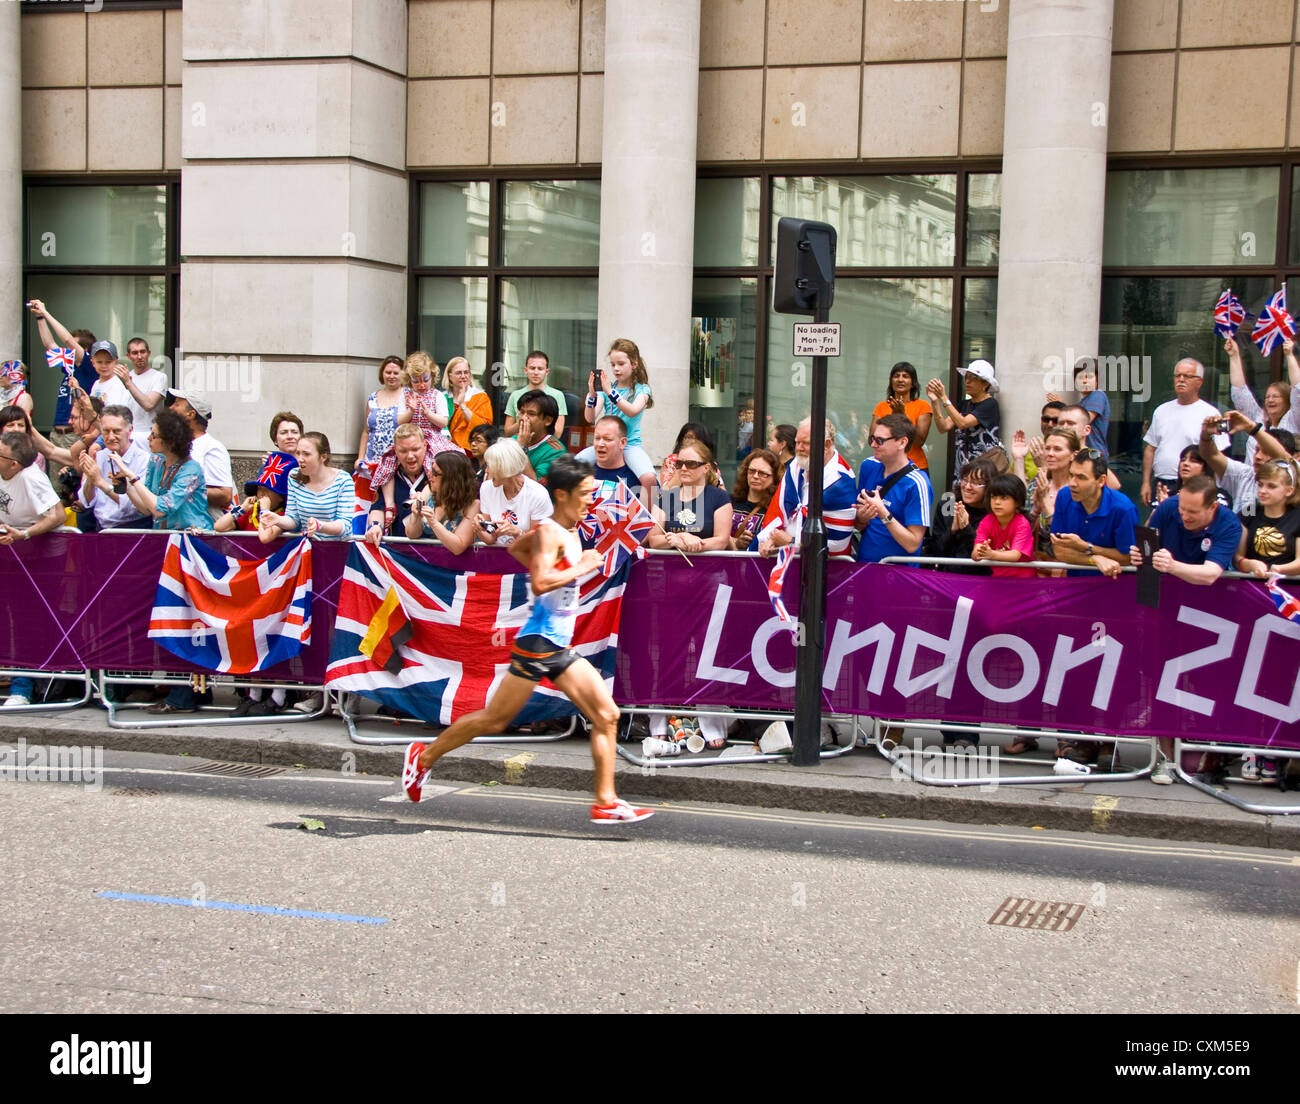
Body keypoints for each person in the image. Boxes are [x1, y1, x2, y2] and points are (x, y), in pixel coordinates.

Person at [401, 455, 654, 825]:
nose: (590, 501)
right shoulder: (553, 533)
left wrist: (553, 558)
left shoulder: (558, 532)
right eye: (584, 495)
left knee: (606, 714)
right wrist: (581, 566)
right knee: (493, 719)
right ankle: (421, 758)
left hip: (557, 647)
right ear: (563, 496)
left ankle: (605, 801)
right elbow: (540, 582)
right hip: (538, 645)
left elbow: (518, 548)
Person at [1131, 473, 1243, 784]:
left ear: (1211, 509)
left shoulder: (1229, 524)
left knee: (1210, 686)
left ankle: (1209, 755)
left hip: (1211, 617)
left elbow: (1210, 574)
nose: (1184, 516)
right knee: (1161, 682)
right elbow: (1145, 544)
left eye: (1192, 512)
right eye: (1182, 509)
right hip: (1166, 612)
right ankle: (1164, 759)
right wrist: (1139, 555)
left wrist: (1173, 567)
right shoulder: (1168, 509)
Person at [0, 431, 70, 708]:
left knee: (29, 621)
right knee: (12, 619)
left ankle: (23, 688)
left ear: (13, 463)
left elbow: (58, 514)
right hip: (12, 554)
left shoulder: (31, 478)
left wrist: (25, 535)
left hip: (43, 559)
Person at [759, 418, 858, 559]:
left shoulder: (841, 480)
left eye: (805, 443)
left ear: (827, 445)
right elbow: (778, 510)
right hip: (787, 560)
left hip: (824, 570)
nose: (799, 448)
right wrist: (769, 540)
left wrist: (792, 542)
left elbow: (837, 544)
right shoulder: (796, 465)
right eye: (797, 442)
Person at [1141, 357, 1228, 507]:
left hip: (1194, 484)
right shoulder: (1161, 411)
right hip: (1162, 483)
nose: (1181, 380)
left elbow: (1218, 456)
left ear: (1199, 381)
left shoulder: (1210, 413)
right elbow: (1150, 449)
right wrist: (1145, 482)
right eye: (1177, 375)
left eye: (1187, 376)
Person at [580, 337, 656, 493]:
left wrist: (610, 392)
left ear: (634, 364)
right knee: (572, 468)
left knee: (649, 478)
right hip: (606, 443)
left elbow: (632, 410)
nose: (616, 369)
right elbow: (589, 417)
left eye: (621, 364)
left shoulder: (642, 389)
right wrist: (592, 395)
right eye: (613, 365)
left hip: (630, 445)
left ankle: (646, 516)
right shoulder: (608, 388)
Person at [853, 413, 932, 564]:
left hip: (898, 573)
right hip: (865, 566)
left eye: (880, 440)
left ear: (902, 443)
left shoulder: (917, 483)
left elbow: (913, 544)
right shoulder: (869, 465)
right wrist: (861, 518)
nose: (873, 445)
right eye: (872, 438)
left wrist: (883, 512)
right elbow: (858, 524)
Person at [114, 408, 209, 532]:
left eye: (154, 435)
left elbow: (160, 509)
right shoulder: (156, 460)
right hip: (164, 536)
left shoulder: (191, 470)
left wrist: (132, 477)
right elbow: (147, 508)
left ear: (169, 442)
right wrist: (128, 487)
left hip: (191, 539)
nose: (149, 438)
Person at [1049, 448, 1138, 579]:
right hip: (1076, 583)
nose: (1072, 483)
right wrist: (1093, 559)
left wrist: (1086, 547)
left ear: (1101, 481)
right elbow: (1059, 551)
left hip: (1113, 584)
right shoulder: (1064, 496)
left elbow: (1127, 557)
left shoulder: (1123, 509)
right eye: (1071, 475)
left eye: (1081, 477)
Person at [27, 299, 97, 445]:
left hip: (75, 434)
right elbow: (49, 344)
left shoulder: (89, 367)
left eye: (73, 347)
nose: (67, 351)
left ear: (84, 350)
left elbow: (67, 340)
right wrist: (39, 317)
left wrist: (46, 313)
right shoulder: (69, 366)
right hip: (56, 433)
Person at [260, 432, 354, 541]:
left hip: (338, 548)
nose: (300, 459)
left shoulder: (343, 480)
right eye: (298, 453)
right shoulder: (293, 476)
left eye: (306, 454)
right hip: (308, 547)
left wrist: (319, 525)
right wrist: (277, 520)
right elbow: (293, 519)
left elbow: (344, 525)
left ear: (323, 456)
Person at [1197, 411, 1294, 514]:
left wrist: (1251, 427)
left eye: (1266, 452)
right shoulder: (1245, 475)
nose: (1257, 457)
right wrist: (1206, 435)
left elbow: (1286, 460)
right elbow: (1211, 455)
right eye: (1256, 450)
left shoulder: (1294, 479)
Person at [1227, 333, 1299, 468]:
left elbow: (1298, 392)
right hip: (1254, 481)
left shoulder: (1294, 420)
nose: (1270, 400)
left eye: (1275, 396)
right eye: (1267, 397)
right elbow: (1240, 393)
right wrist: (1234, 356)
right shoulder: (1258, 418)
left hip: (1280, 483)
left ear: (1287, 399)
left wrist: (1289, 355)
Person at [648, 440, 733, 554]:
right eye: (679, 464)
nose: (683, 468)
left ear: (706, 468)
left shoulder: (720, 497)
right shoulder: (665, 497)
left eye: (691, 464)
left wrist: (693, 544)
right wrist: (680, 537)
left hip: (709, 568)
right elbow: (653, 539)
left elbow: (721, 541)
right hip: (671, 568)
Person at [163, 389, 234, 522]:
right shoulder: (172, 445)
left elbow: (225, 495)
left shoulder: (211, 447)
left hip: (203, 529)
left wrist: (184, 491)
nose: (170, 408)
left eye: (177, 404)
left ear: (191, 414)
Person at [75, 405, 150, 530]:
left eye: (116, 431)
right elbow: (85, 502)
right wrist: (90, 479)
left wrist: (100, 482)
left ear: (130, 430)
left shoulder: (144, 460)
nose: (110, 437)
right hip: (101, 528)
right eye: (106, 431)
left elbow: (132, 507)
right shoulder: (99, 456)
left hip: (133, 529)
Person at [926, 359, 1001, 474]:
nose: (967, 381)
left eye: (973, 378)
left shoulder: (990, 404)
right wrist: (935, 402)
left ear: (985, 383)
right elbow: (943, 427)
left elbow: (963, 423)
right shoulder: (964, 404)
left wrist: (944, 397)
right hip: (963, 467)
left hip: (983, 469)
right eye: (966, 377)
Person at [475, 438, 552, 546]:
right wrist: (479, 528)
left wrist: (517, 533)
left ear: (506, 468)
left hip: (526, 558)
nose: (486, 471)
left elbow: (539, 543)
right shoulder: (487, 488)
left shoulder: (537, 494)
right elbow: (490, 539)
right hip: (497, 557)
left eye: (490, 466)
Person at [923, 458, 996, 571]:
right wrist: (952, 530)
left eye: (976, 483)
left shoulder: (994, 512)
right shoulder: (948, 504)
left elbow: (980, 556)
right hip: (944, 577)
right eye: (965, 480)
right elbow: (936, 549)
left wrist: (966, 529)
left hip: (977, 579)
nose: (967, 487)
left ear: (989, 487)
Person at [406, 450, 480, 554]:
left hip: (458, 566)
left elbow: (458, 547)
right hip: (428, 562)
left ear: (451, 478)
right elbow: (412, 534)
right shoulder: (428, 490)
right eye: (431, 470)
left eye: (435, 473)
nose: (429, 474)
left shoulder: (473, 505)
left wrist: (434, 523)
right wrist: (415, 515)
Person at [365, 424, 430, 541]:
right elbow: (377, 508)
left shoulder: (436, 476)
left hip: (432, 550)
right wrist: (375, 526)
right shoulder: (388, 477)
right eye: (403, 451)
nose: (410, 456)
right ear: (395, 450)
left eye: (415, 449)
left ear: (425, 445)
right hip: (396, 550)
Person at [213, 451, 293, 534]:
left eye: (268, 491)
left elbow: (265, 536)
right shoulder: (251, 512)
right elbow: (219, 526)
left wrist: (265, 510)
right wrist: (242, 508)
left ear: (281, 497)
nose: (262, 494)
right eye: (260, 489)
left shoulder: (282, 516)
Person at [971, 473, 1035, 577]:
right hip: (995, 580)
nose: (997, 502)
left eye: (1004, 498)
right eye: (993, 497)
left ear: (1018, 501)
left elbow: (1015, 555)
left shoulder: (1022, 524)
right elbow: (976, 552)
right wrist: (980, 552)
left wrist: (991, 554)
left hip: (1022, 582)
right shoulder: (986, 521)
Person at [871, 362, 932, 471]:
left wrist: (902, 416)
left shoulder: (922, 406)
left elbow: (919, 442)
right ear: (891, 381)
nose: (900, 380)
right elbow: (872, 440)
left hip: (915, 467)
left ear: (913, 383)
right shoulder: (882, 407)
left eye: (905, 376)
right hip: (886, 467)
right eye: (896, 376)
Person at [356, 355, 410, 477]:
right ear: (382, 374)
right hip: (372, 460)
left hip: (397, 460)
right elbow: (366, 431)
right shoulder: (373, 397)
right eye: (388, 372)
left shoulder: (408, 395)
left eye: (396, 373)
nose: (391, 376)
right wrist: (360, 458)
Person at [112, 337, 167, 446]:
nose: (139, 356)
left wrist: (128, 383)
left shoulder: (159, 377)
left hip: (149, 436)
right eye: (135, 353)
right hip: (126, 435)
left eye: (143, 352)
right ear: (128, 356)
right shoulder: (123, 378)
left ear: (149, 353)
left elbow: (149, 404)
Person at [504, 349, 566, 440]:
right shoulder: (515, 395)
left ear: (547, 372)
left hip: (544, 448)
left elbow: (557, 433)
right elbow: (508, 432)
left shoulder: (557, 395)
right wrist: (523, 420)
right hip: (518, 446)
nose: (536, 372)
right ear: (526, 370)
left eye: (540, 369)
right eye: (532, 368)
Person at [514, 389, 568, 484]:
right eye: (522, 412)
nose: (523, 418)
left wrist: (522, 449)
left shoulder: (556, 451)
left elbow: (536, 488)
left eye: (531, 414)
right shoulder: (513, 441)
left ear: (548, 420)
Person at [729, 448, 778, 551]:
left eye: (762, 473)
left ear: (774, 478)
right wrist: (735, 542)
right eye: (751, 471)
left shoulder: (776, 508)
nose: (755, 476)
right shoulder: (729, 501)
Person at [444, 355, 493, 452]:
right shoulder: (442, 397)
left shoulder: (480, 397)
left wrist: (462, 406)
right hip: (445, 450)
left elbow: (483, 428)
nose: (463, 376)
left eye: (466, 372)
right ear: (450, 376)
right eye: (458, 373)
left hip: (471, 452)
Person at [589, 415, 642, 501]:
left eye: (607, 439)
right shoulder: (582, 474)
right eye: (597, 438)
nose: (600, 444)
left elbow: (662, 510)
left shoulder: (640, 478)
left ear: (622, 443)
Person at [1073, 356, 1111, 457]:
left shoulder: (1098, 395)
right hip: (1083, 453)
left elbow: (1085, 420)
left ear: (1098, 379)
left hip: (1094, 454)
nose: (1084, 381)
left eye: (1089, 377)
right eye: (1080, 377)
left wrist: (1062, 410)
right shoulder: (1081, 403)